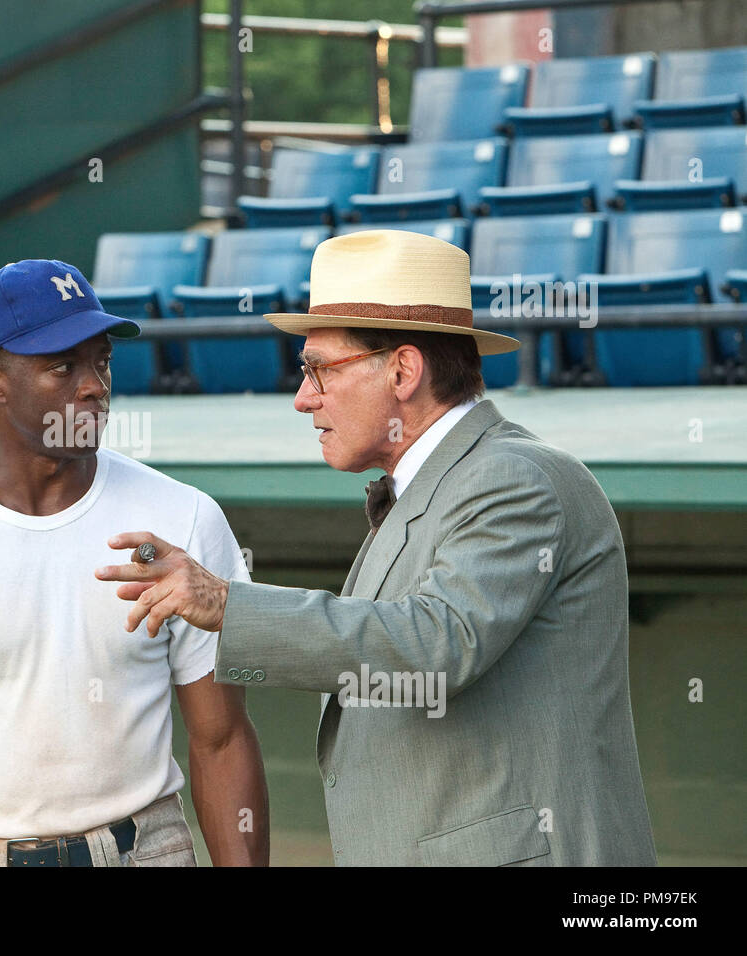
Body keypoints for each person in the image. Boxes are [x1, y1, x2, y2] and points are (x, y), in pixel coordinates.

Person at [96, 230, 657, 866]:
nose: (304, 398)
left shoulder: (511, 477)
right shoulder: (444, 480)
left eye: (318, 370)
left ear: (403, 370)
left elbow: (435, 645)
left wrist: (227, 604)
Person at [0, 258, 268, 867]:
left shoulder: (182, 519)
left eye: (101, 361)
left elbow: (222, 743)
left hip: (145, 846)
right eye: (61, 366)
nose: (93, 385)